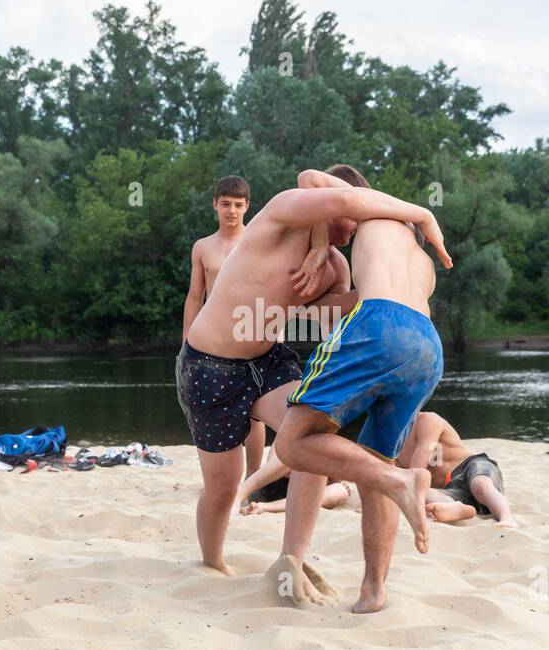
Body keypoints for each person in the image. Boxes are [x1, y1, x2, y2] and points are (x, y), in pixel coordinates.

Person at [177, 167, 448, 605]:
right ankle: (213, 563)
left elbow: (328, 314)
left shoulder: (337, 264)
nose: (355, 229)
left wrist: (348, 280)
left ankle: (291, 559)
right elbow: (320, 187)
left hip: (268, 361)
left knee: (312, 440)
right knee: (223, 487)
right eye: (352, 220)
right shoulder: (284, 214)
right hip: (211, 363)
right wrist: (419, 215)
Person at [273, 165, 452, 614]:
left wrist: (316, 246)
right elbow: (353, 303)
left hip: (381, 324)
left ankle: (403, 480)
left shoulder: (370, 214)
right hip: (428, 347)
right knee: (375, 463)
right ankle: (374, 591)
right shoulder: (415, 252)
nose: (340, 233)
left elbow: (309, 177)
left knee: (293, 445)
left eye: (336, 216)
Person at [183, 176, 266, 478]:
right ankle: (218, 479)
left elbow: (270, 291)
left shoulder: (257, 242)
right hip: (211, 341)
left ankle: (254, 476)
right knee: (212, 408)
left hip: (252, 334)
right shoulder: (203, 248)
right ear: (215, 204)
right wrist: (186, 345)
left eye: (238, 205)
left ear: (247, 207)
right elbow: (194, 297)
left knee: (255, 411)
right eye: (226, 204)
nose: (232, 210)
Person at [397, 412, 516, 528]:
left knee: (480, 485)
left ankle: (506, 517)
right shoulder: (393, 445)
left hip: (470, 466)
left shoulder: (427, 420)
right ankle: (454, 507)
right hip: (451, 490)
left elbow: (417, 469)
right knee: (424, 493)